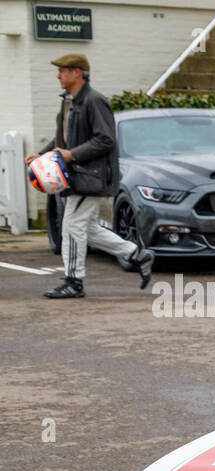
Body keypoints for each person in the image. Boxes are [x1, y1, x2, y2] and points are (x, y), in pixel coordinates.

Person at [24, 54, 153, 299]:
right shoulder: (69, 102)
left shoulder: (94, 101)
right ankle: (138, 255)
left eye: (62, 70)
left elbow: (106, 140)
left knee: (71, 227)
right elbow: (61, 139)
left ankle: (74, 281)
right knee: (89, 229)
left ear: (77, 72)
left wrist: (72, 155)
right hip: (78, 176)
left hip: (91, 178)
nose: (58, 75)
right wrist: (40, 156)